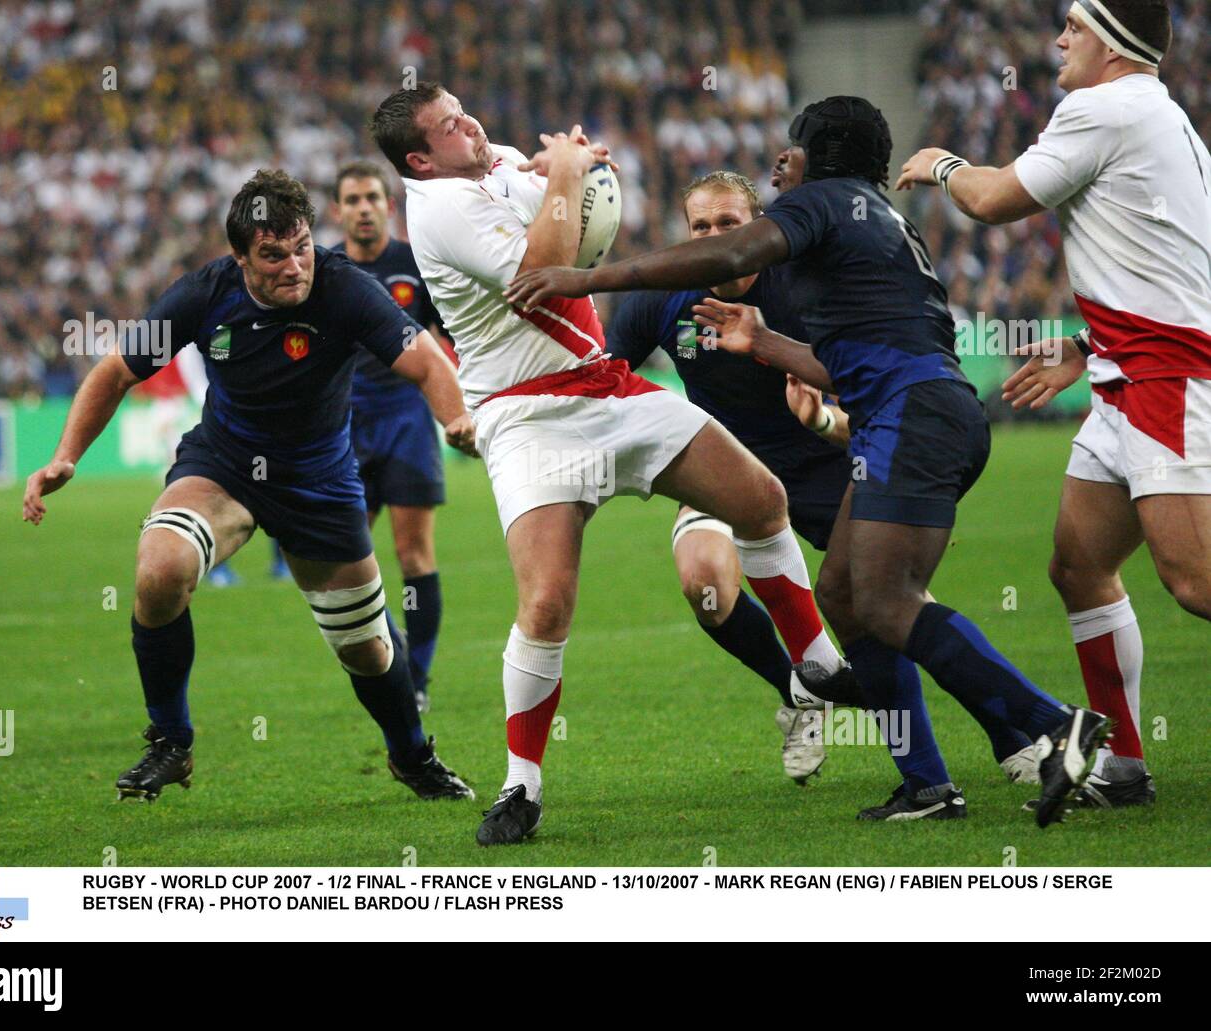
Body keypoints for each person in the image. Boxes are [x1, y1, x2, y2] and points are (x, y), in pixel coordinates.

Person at [507, 96, 1107, 827]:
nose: (780, 160)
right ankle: (927, 782)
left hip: (903, 419)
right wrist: (762, 343)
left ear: (821, 155)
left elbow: (732, 255)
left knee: (887, 600)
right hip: (913, 412)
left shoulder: (822, 203)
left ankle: (1049, 724)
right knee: (847, 596)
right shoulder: (871, 215)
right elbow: (857, 345)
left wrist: (587, 279)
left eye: (792, 148)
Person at [371, 83, 833, 845]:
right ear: (420, 159)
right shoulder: (440, 209)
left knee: (758, 496)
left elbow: (582, 228)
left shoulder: (501, 164)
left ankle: (814, 664)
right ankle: (521, 786)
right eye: (449, 126)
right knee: (547, 603)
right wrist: (564, 175)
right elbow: (543, 270)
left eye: (464, 106)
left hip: (604, 382)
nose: (470, 121)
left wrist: (582, 169)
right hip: (528, 413)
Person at [22, 169, 478, 804]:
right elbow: (116, 371)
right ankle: (171, 741)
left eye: (301, 248)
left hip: (319, 480)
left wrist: (455, 416)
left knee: (368, 650)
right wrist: (65, 457)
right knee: (160, 567)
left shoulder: (347, 288)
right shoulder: (203, 294)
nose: (294, 267)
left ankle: (410, 753)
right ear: (240, 258)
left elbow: (426, 360)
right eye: (272, 256)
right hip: (225, 466)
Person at [608, 169, 1042, 786]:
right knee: (704, 583)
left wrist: (820, 420)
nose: (712, 235)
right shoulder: (660, 292)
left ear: (756, 228)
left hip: (826, 462)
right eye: (700, 225)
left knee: (894, 608)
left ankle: (1010, 736)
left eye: (728, 224)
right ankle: (802, 688)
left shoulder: (806, 286)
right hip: (726, 466)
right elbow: (606, 378)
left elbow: (867, 402)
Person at [899, 0, 1209, 811]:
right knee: (1078, 567)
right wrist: (1087, 348)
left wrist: (939, 163)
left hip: (1165, 382)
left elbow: (996, 197)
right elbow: (1158, 262)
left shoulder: (1102, 106)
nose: (1059, 38)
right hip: (1126, 373)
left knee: (1196, 581)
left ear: (1112, 43)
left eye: (1074, 24)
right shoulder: (1157, 115)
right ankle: (1127, 765)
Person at [331, 160, 452, 713]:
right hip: (341, 426)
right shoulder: (324, 270)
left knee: (413, 553)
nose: (362, 208)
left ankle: (417, 677)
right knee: (340, 559)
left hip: (406, 418)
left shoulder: (415, 265)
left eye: (371, 198)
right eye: (352, 199)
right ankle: (395, 650)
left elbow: (450, 337)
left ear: (388, 206)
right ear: (338, 211)